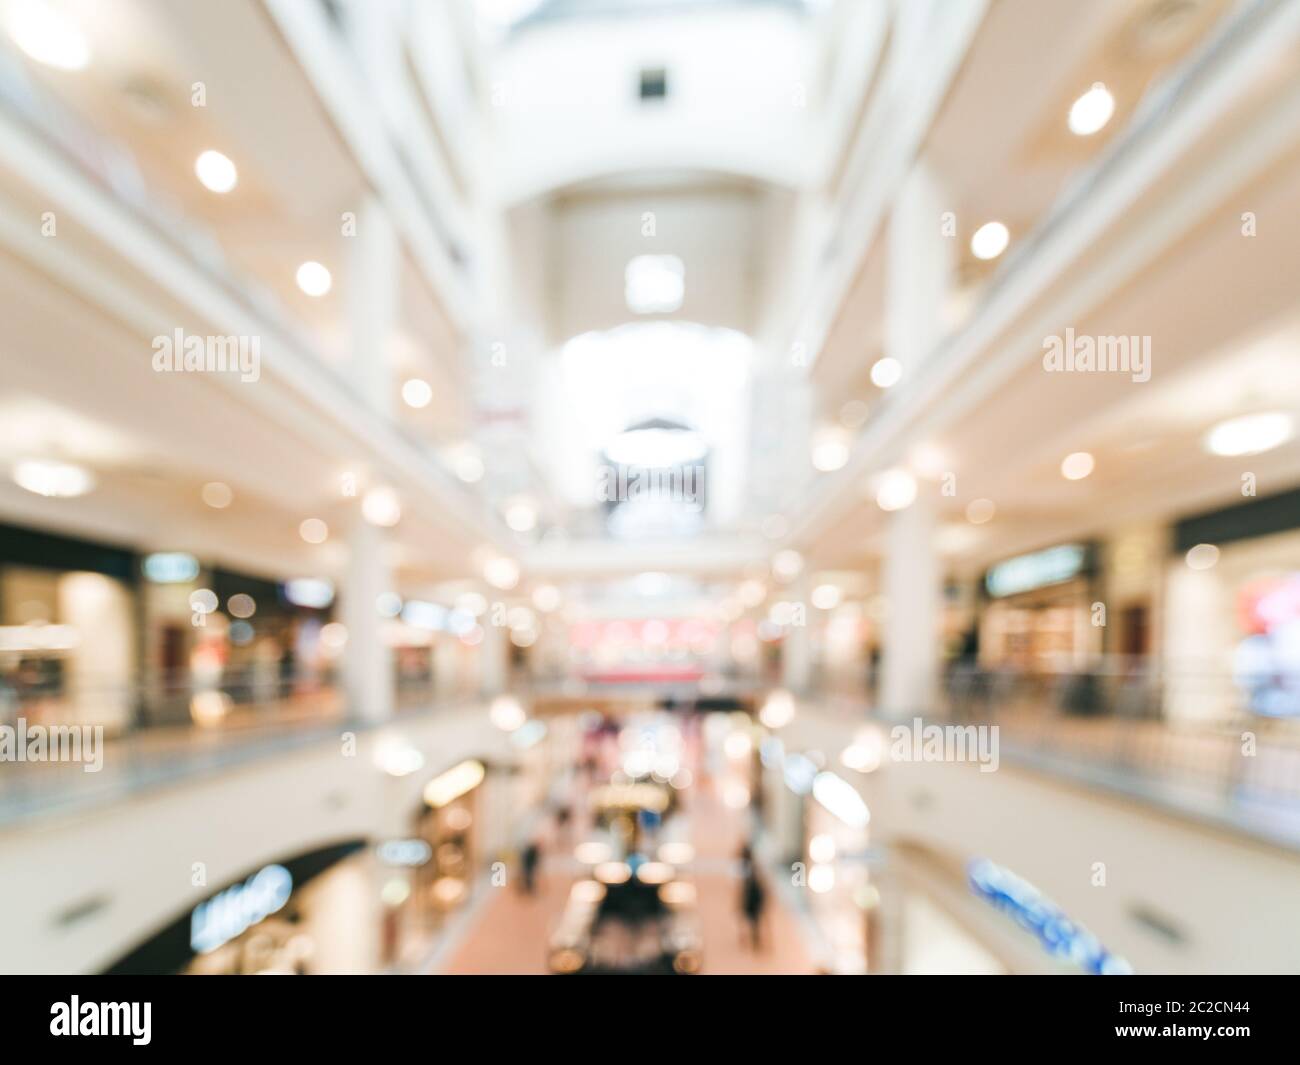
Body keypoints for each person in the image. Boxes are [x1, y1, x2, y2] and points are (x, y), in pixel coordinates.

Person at [738, 843, 767, 950]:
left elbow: (743, 887)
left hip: (752, 899)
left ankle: (749, 939)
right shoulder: (754, 867)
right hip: (754, 899)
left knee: (751, 922)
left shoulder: (747, 869)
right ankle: (751, 939)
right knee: (754, 922)